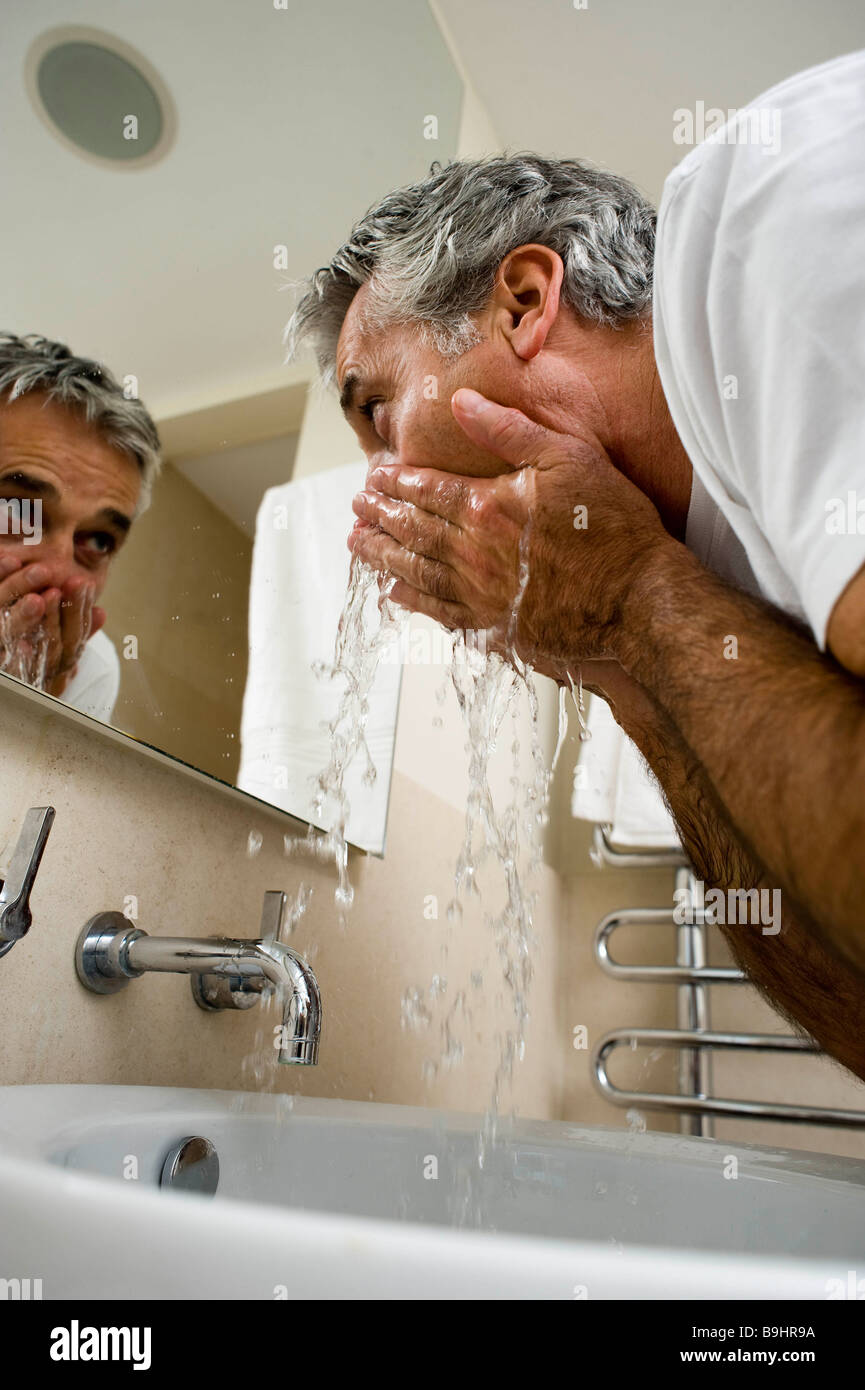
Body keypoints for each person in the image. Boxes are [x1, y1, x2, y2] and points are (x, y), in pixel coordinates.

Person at [284, 50, 865, 1082]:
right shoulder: (711, 556)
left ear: (521, 299)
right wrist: (615, 662)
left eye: (377, 411)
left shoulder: (768, 222)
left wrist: (632, 599)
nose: (375, 493)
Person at [0, 334, 161, 721]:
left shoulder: (89, 665)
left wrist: (35, 713)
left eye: (97, 540)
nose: (56, 570)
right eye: (19, 511)